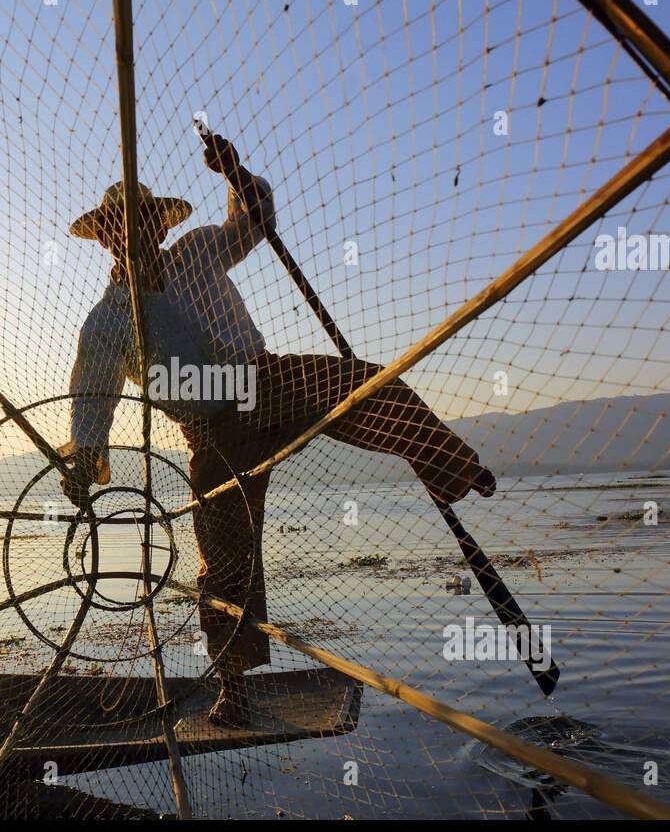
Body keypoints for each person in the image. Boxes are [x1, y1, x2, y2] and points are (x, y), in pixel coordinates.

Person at [62, 139, 493, 727]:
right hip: (208, 431)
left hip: (263, 380)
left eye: (140, 222)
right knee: (223, 561)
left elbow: (254, 221)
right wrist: (86, 459)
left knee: (366, 385)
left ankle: (453, 468)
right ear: (107, 237)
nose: (132, 234)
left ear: (156, 226)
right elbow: (92, 399)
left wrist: (236, 174)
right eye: (119, 227)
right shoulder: (109, 318)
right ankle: (233, 690)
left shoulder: (197, 250)